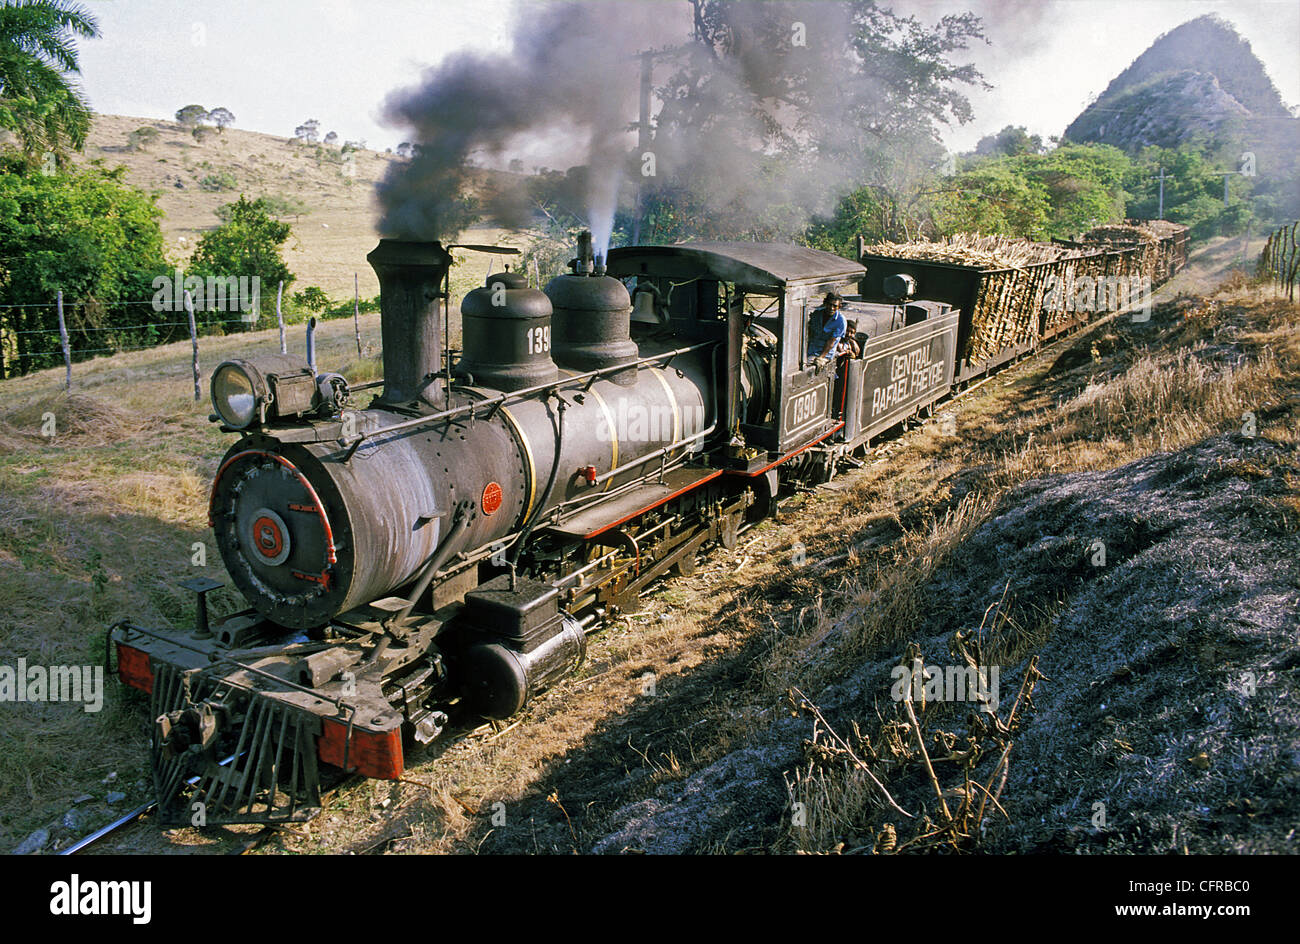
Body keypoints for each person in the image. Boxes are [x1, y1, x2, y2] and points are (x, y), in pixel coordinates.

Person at [807, 292, 847, 365]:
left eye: (834, 306)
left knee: (807, 363)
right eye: (829, 304)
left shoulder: (841, 321)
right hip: (811, 349)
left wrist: (821, 357)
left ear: (839, 307)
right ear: (825, 303)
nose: (831, 308)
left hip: (825, 354)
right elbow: (810, 332)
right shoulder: (817, 314)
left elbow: (831, 342)